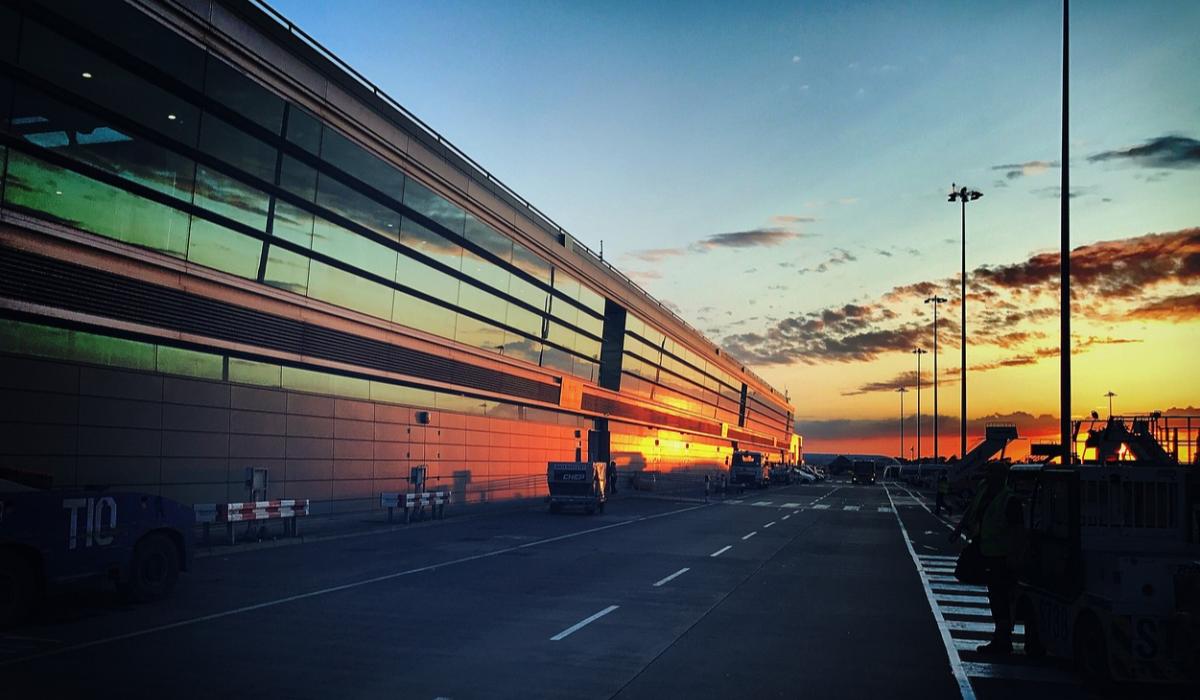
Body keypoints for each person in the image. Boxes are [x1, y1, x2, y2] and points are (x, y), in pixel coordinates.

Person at [949, 462, 1025, 654]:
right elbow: (972, 509)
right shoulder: (984, 489)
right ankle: (1001, 636)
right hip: (984, 549)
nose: (988, 476)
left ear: (1001, 476)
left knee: (1000, 597)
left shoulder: (1009, 500)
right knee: (992, 593)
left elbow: (1018, 532)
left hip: (1001, 555)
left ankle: (1002, 639)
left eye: (992, 473)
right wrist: (959, 529)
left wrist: (1015, 555)